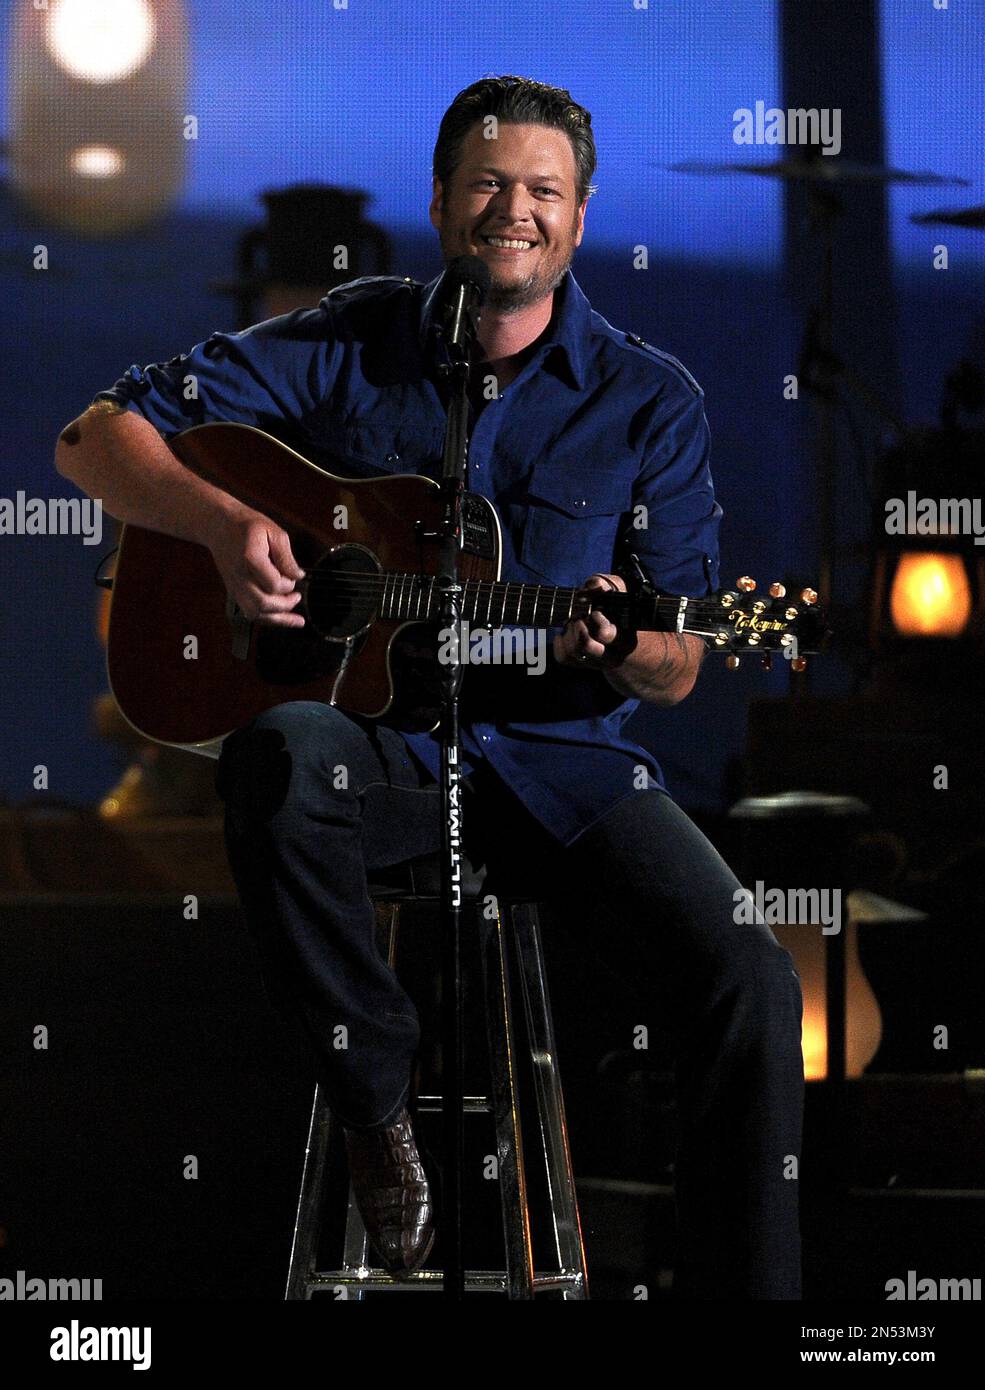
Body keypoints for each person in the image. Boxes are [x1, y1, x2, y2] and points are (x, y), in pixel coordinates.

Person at [55, 75, 804, 1298]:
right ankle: (376, 1100)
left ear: (579, 212)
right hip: (383, 754)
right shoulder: (352, 337)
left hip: (565, 769)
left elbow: (679, 665)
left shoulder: (649, 399)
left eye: (543, 191)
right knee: (282, 756)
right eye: (490, 184)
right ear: (447, 200)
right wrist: (228, 524)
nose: (516, 209)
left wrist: (632, 646)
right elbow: (94, 439)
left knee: (751, 975)